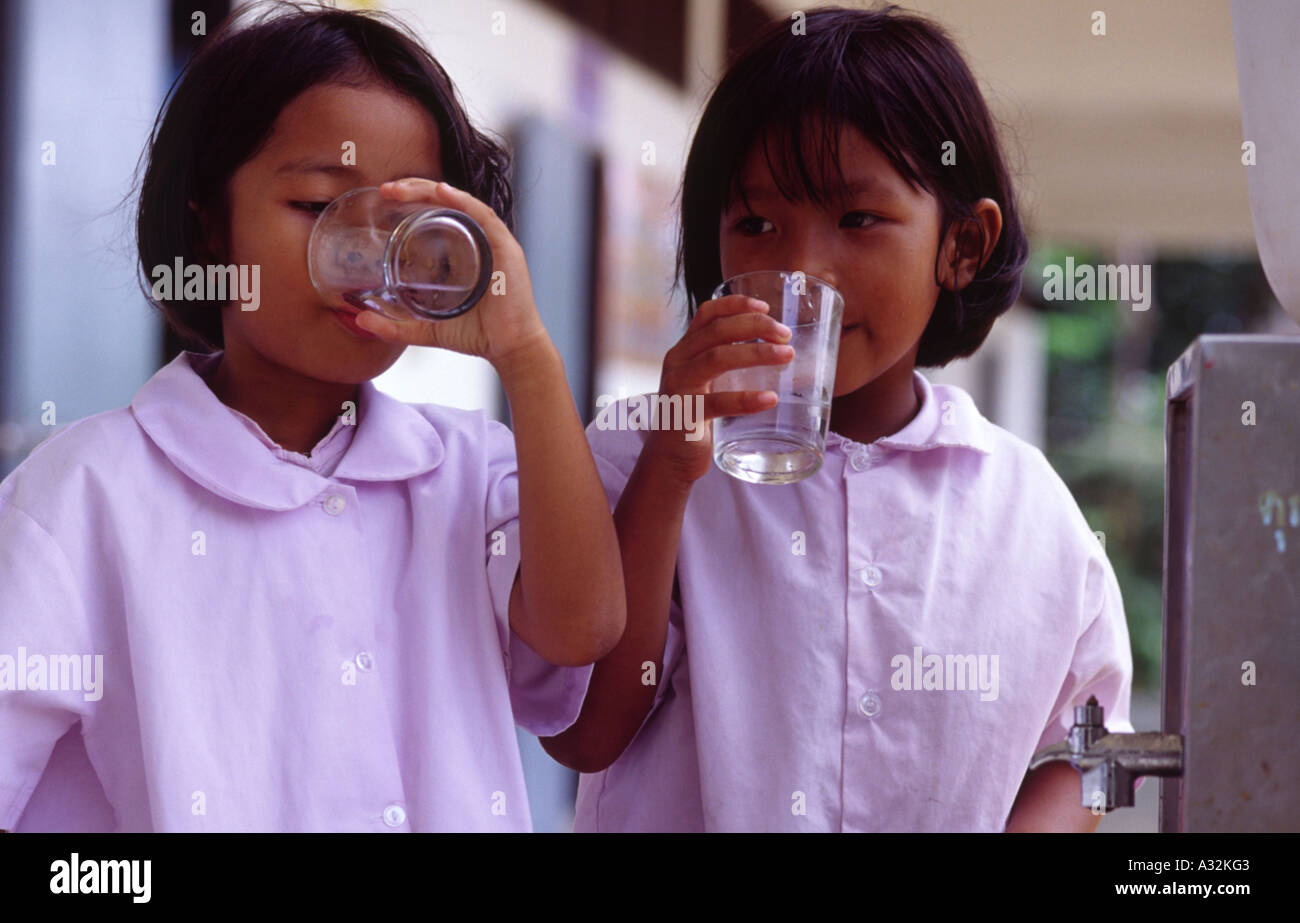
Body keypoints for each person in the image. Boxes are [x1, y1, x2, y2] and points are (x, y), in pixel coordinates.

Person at [0, 1, 624, 832]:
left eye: (403, 228)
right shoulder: (84, 493)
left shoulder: (472, 469)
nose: (361, 257)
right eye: (315, 206)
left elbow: (583, 628)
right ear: (211, 223)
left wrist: (529, 355)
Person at [542, 4, 1137, 832]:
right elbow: (586, 728)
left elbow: (1086, 748)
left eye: (857, 219)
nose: (800, 268)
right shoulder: (637, 455)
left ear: (961, 247)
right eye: (755, 222)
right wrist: (669, 473)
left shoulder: (1025, 508)